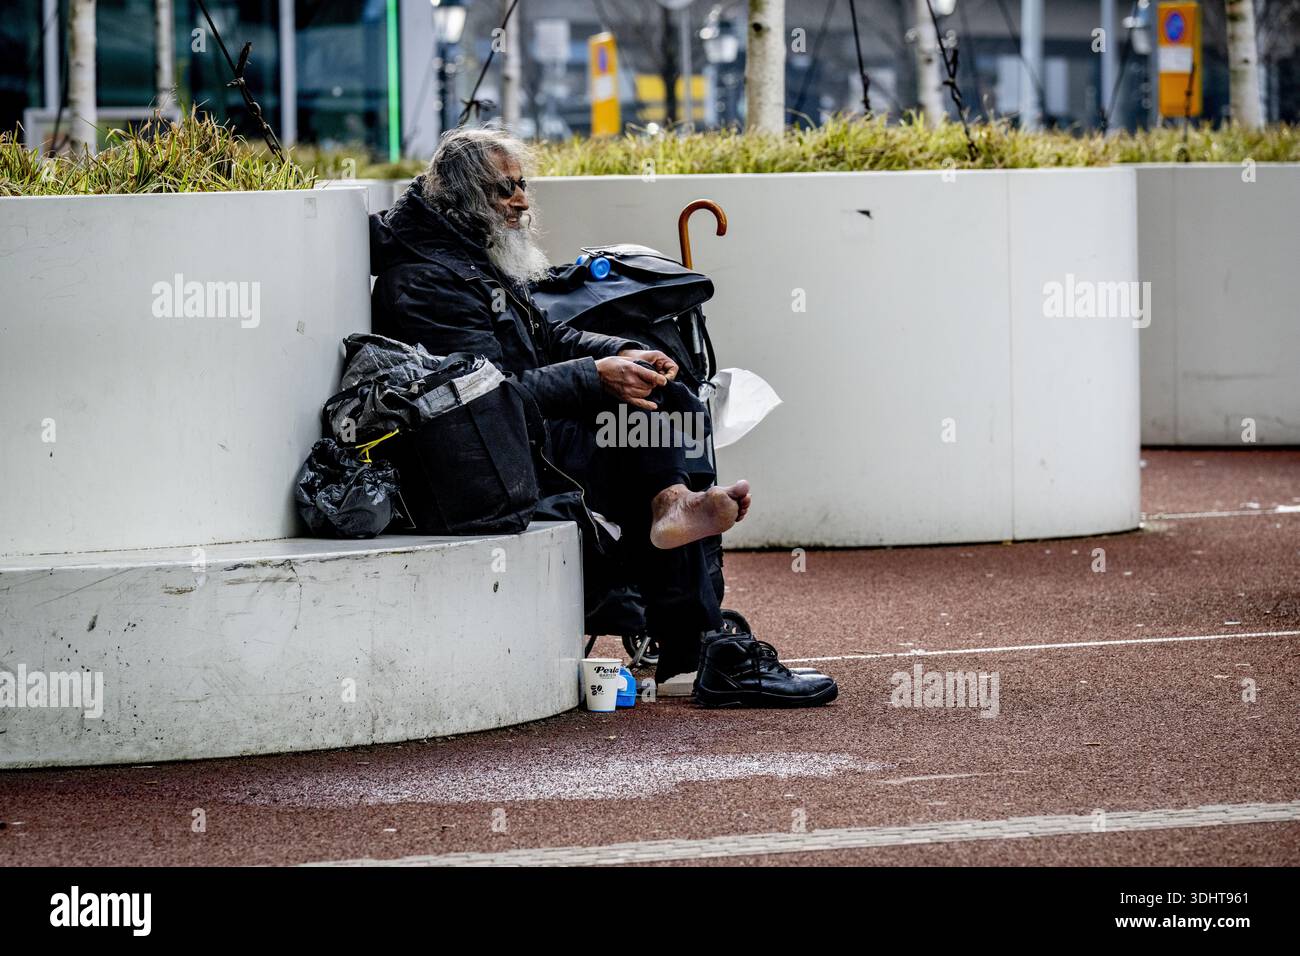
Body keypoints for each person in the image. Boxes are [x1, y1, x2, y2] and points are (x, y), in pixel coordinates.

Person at [368, 127, 837, 708]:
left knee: (671, 400)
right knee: (642, 428)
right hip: (486, 462)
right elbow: (481, 400)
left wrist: (620, 353)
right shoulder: (423, 281)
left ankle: (680, 545)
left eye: (522, 185)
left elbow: (547, 336)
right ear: (459, 199)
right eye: (503, 190)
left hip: (520, 435)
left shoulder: (465, 254)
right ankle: (694, 645)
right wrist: (596, 377)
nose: (521, 201)